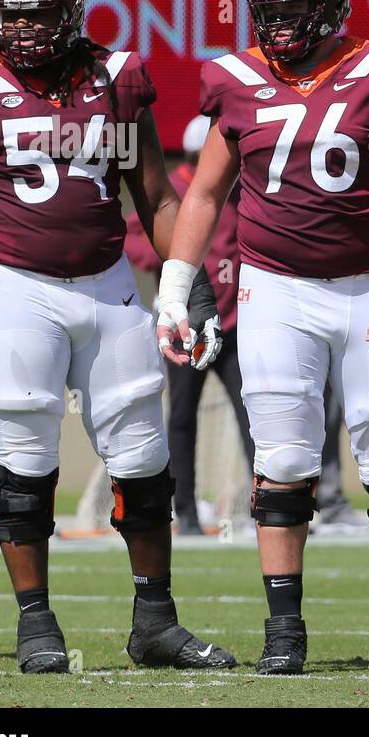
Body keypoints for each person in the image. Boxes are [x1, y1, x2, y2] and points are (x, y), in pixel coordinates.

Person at [0, 0, 234, 672]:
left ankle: (155, 621)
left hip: (108, 281)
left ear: (72, 17)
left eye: (38, 16)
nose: (22, 32)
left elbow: (158, 196)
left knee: (144, 456)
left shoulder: (118, 77)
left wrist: (190, 284)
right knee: (22, 459)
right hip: (12, 289)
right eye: (12, 18)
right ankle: (36, 622)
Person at [158, 0, 369, 675]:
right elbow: (204, 192)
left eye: (294, 11)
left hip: (365, 284)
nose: (279, 27)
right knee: (285, 457)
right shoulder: (234, 79)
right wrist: (174, 288)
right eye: (269, 12)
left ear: (330, 7)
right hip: (275, 288)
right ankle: (284, 626)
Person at [124, 115, 253, 535]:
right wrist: (167, 267)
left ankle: (263, 506)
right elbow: (132, 238)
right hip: (186, 326)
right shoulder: (176, 188)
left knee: (250, 412)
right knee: (181, 418)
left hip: (230, 324)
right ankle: (186, 513)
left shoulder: (236, 191)